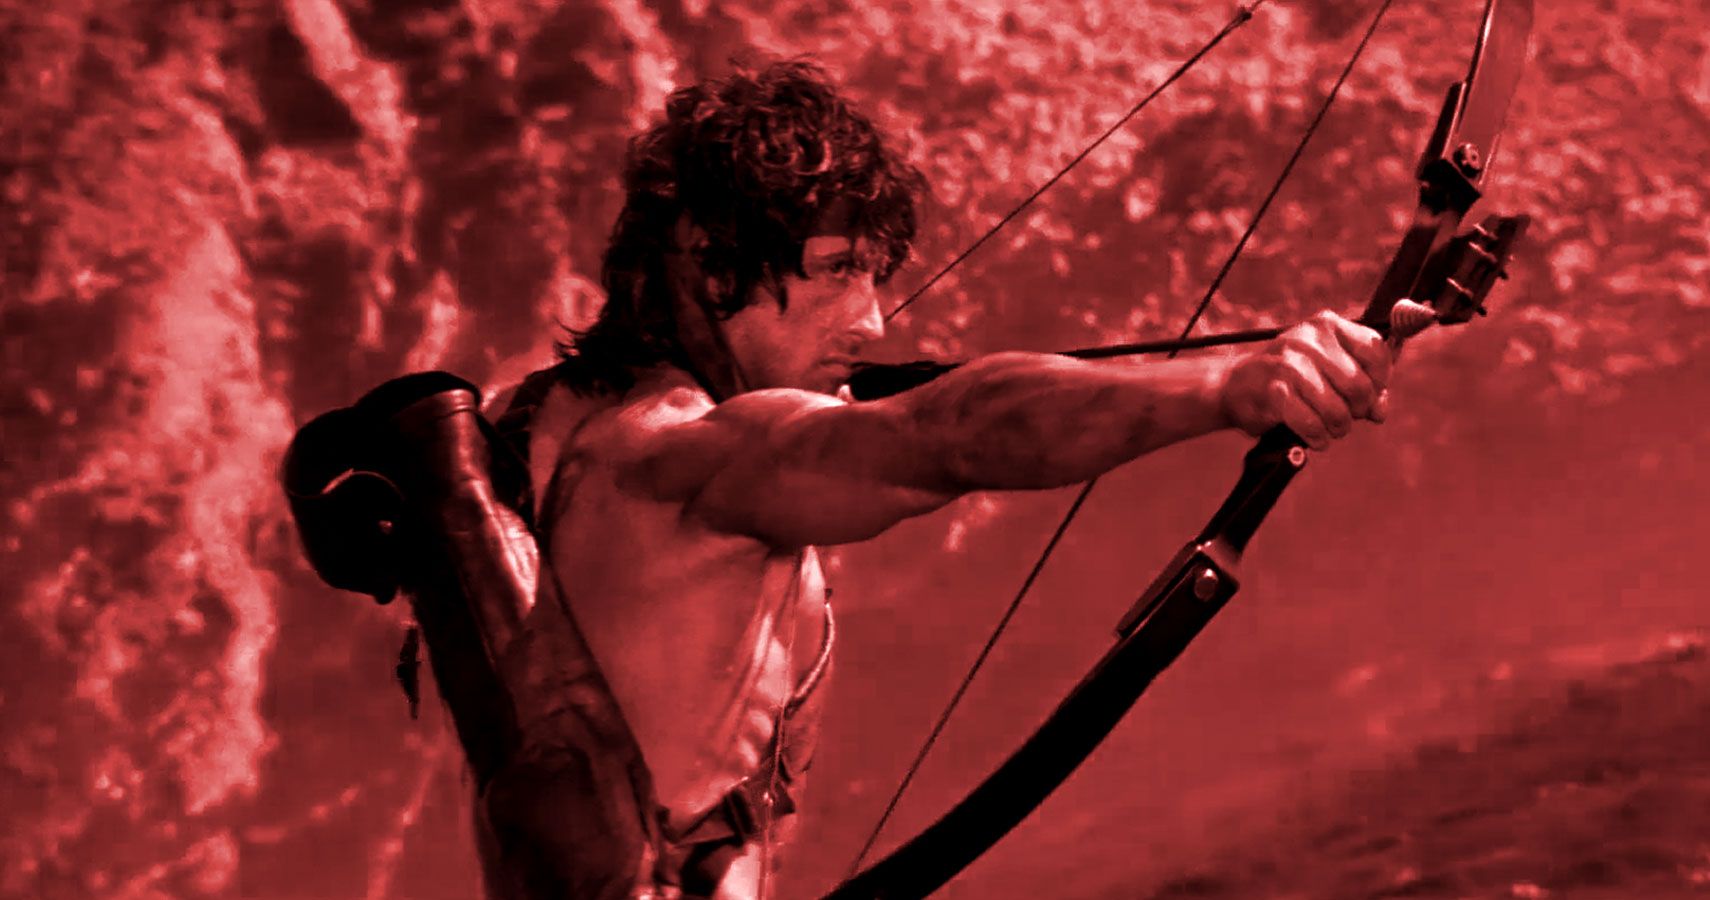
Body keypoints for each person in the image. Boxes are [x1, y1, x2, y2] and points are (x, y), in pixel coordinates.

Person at [475, 59, 1390, 900]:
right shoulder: (679, 459)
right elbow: (948, 435)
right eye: (837, 271)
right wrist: (1228, 387)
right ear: (709, 259)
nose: (871, 322)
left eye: (874, 276)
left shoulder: (546, 419)